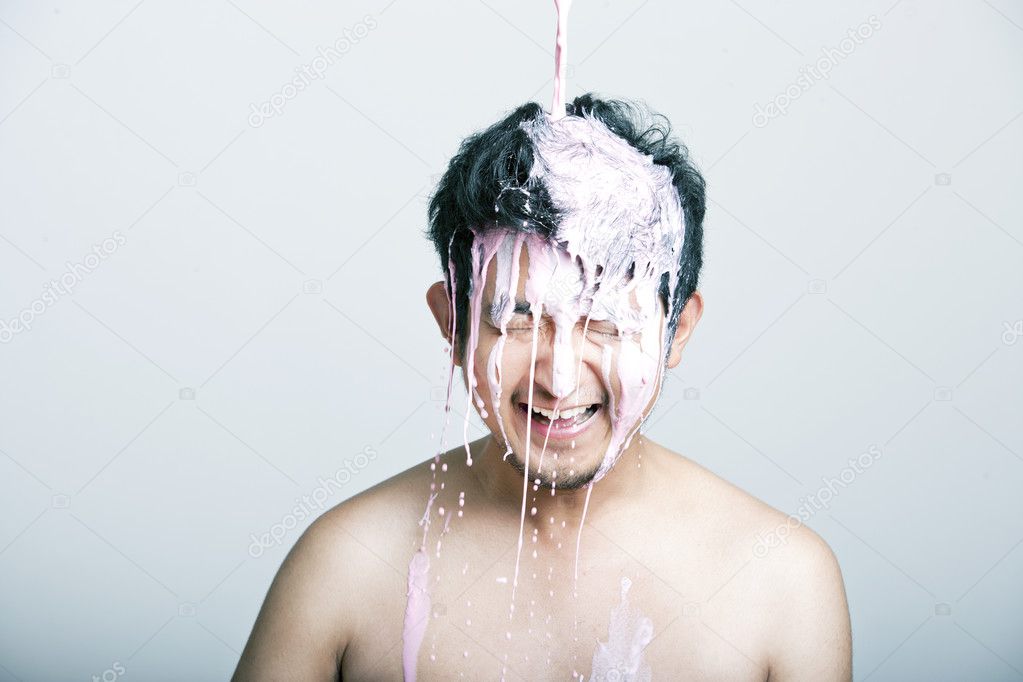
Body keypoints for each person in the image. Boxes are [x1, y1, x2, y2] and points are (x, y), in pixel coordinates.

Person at [232, 94, 852, 681]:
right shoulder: (347, 566)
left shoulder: (781, 579)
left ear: (677, 331)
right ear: (453, 324)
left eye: (607, 325)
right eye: (516, 320)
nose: (558, 379)